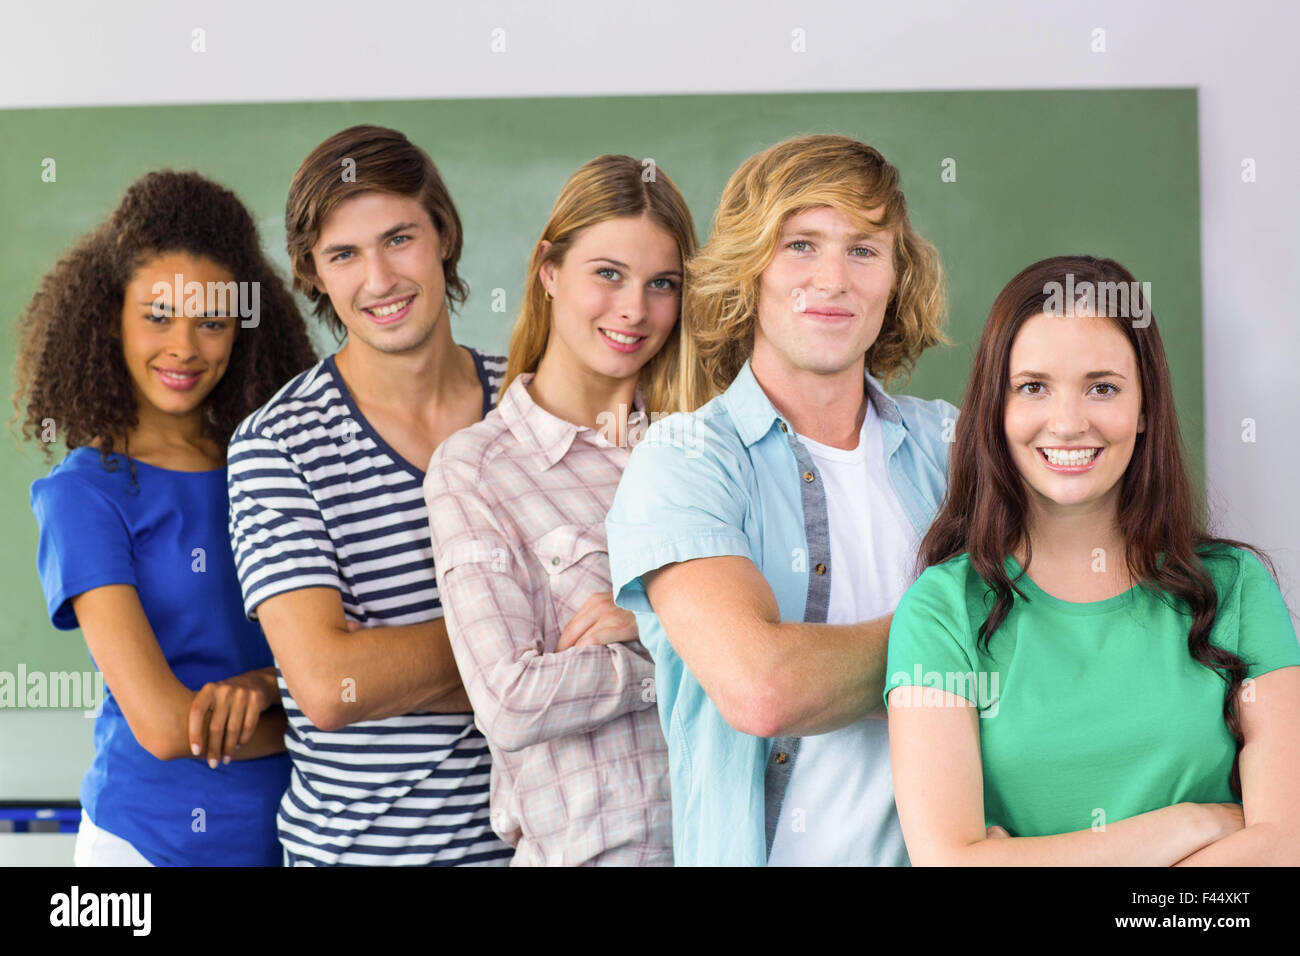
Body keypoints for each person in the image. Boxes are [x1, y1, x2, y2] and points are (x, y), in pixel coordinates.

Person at [605, 134, 956, 866]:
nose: (833, 279)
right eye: (800, 245)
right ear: (750, 270)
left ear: (897, 277)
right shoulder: (683, 461)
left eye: (864, 250)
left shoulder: (955, 447)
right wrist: (966, 645)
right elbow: (763, 689)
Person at [885, 255, 1300, 865]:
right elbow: (950, 862)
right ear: (994, 412)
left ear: (1144, 409)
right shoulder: (941, 611)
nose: (1069, 422)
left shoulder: (1236, 588)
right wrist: (1189, 825)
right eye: (1033, 387)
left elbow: (1284, 845)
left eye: (1102, 387)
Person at [226, 125, 513, 865]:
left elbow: (631, 633)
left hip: (544, 849)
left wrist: (402, 671)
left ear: (442, 235)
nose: (379, 279)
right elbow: (327, 687)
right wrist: (517, 647)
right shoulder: (277, 445)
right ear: (312, 275)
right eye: (344, 255)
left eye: (399, 238)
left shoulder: (533, 403)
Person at [19, 170, 315, 866]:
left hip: (296, 838)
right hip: (145, 848)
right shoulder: (83, 495)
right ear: (110, 316)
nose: (185, 347)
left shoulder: (271, 461)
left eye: (211, 320)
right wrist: (329, 714)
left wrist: (270, 686)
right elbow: (164, 726)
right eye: (158, 315)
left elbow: (335, 650)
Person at [424, 155, 703, 865]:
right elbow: (512, 700)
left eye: (661, 284)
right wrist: (674, 648)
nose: (635, 309)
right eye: (607, 273)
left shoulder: (703, 450)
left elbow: (783, 630)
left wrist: (650, 623)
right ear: (549, 271)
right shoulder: (479, 468)